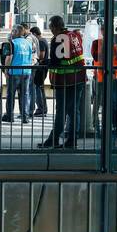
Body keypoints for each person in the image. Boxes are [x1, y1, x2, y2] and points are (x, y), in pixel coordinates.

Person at [38, 15, 85, 149]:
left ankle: (54, 138)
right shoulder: (75, 35)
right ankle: (72, 140)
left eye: (51, 27)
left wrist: (44, 63)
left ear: (54, 26)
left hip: (66, 80)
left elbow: (56, 61)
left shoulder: (59, 38)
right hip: (79, 78)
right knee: (74, 111)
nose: (51, 30)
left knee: (61, 111)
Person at [1, 23, 33, 123]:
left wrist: (6, 69)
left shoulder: (12, 43)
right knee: (25, 95)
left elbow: (9, 57)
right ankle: (25, 117)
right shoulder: (28, 43)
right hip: (26, 71)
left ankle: (9, 116)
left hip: (14, 72)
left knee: (10, 94)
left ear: (16, 32)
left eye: (12, 31)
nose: (11, 33)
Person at [29, 25, 49, 117]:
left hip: (41, 68)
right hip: (43, 67)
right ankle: (42, 108)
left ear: (34, 34)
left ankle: (41, 108)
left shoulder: (40, 41)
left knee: (38, 88)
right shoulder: (44, 40)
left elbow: (41, 55)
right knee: (40, 88)